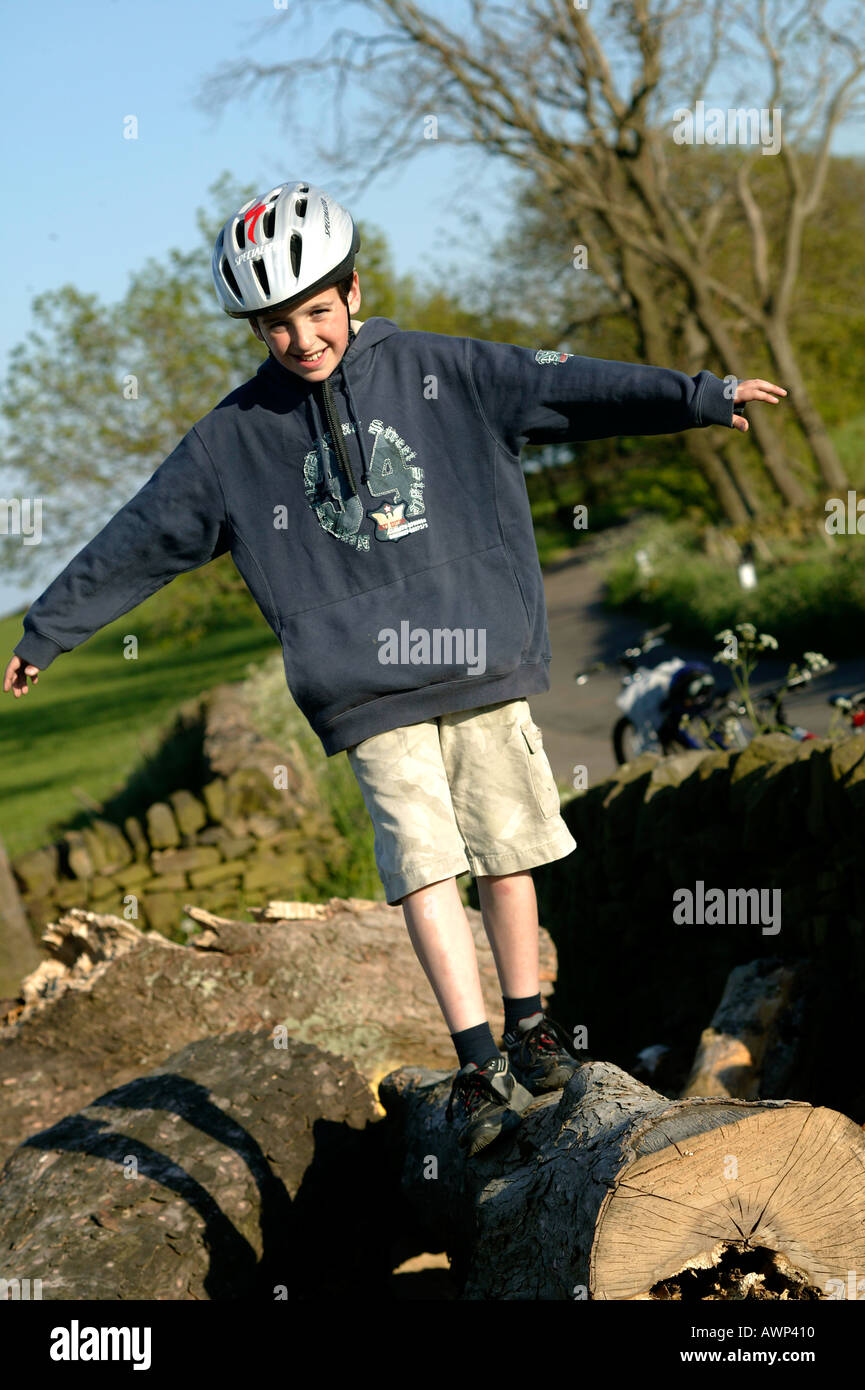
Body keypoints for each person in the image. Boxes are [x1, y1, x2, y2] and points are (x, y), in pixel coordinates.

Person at [4, 180, 788, 1159]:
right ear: (254, 328)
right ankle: (473, 1058)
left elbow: (565, 379)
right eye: (275, 323)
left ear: (353, 289)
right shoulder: (231, 440)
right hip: (364, 690)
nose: (300, 337)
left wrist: (698, 395)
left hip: (480, 656)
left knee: (507, 847)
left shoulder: (437, 368)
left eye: (317, 311)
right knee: (423, 864)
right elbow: (141, 535)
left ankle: (530, 1023)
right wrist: (49, 628)